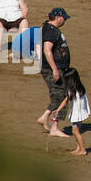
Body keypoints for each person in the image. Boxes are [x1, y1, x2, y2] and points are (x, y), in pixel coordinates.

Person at [36, 7, 72, 138]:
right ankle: (54, 126)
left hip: (54, 67)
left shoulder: (48, 29)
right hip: (53, 68)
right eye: (64, 18)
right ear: (58, 17)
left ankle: (46, 117)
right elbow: (47, 50)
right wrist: (55, 69)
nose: (65, 21)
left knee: (59, 94)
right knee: (61, 96)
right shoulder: (51, 30)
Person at [49, 67, 90, 156]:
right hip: (81, 113)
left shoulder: (73, 91)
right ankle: (78, 148)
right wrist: (58, 110)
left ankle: (83, 150)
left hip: (77, 113)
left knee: (75, 132)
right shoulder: (79, 88)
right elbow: (66, 100)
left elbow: (66, 100)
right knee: (77, 131)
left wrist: (57, 110)